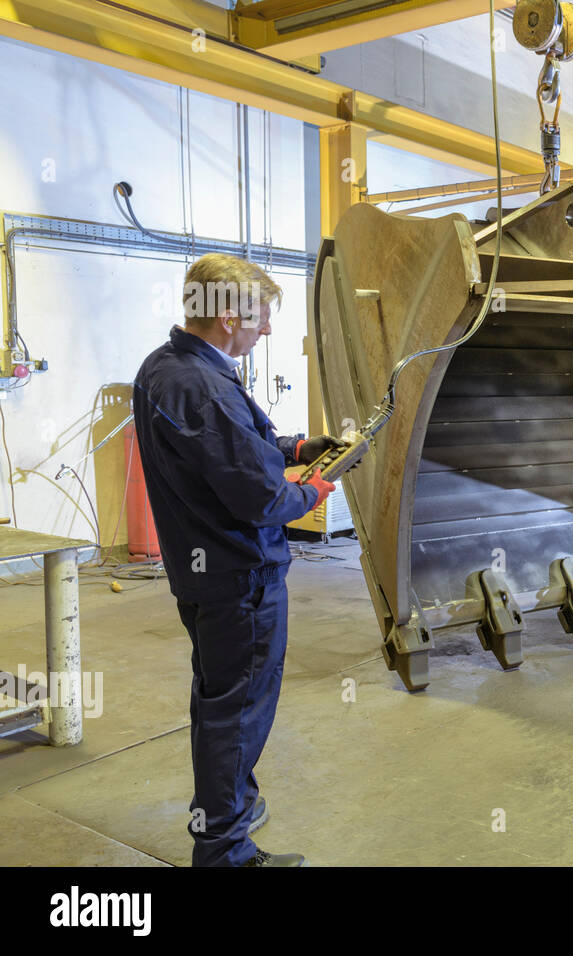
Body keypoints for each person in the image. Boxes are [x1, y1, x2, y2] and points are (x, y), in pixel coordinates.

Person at [133, 253, 351, 867]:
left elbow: (232, 450)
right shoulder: (204, 388)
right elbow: (260, 496)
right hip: (241, 578)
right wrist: (314, 488)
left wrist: (302, 445)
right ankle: (224, 851)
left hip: (201, 573)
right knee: (238, 710)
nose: (269, 330)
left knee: (218, 697)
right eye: (261, 317)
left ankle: (231, 801)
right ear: (228, 316)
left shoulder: (165, 369)